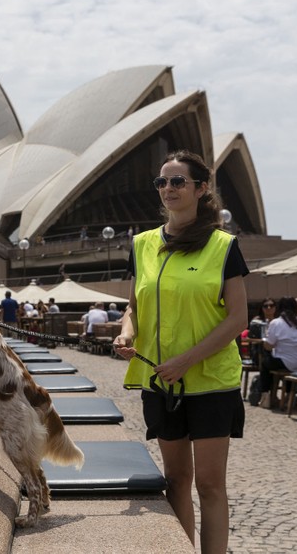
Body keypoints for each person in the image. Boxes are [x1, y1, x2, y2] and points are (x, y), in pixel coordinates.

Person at [113, 150, 248, 553]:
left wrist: (187, 360)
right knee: (176, 481)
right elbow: (133, 306)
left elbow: (237, 318)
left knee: (209, 484)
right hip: (160, 381)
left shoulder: (223, 245)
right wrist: (125, 332)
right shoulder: (141, 244)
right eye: (162, 182)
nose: (168, 189)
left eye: (178, 182)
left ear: (200, 188)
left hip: (210, 382)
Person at [258, 297, 297, 408]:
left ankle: (266, 395)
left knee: (265, 363)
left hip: (287, 362)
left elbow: (269, 346)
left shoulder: (276, 323)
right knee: (286, 363)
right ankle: (289, 395)